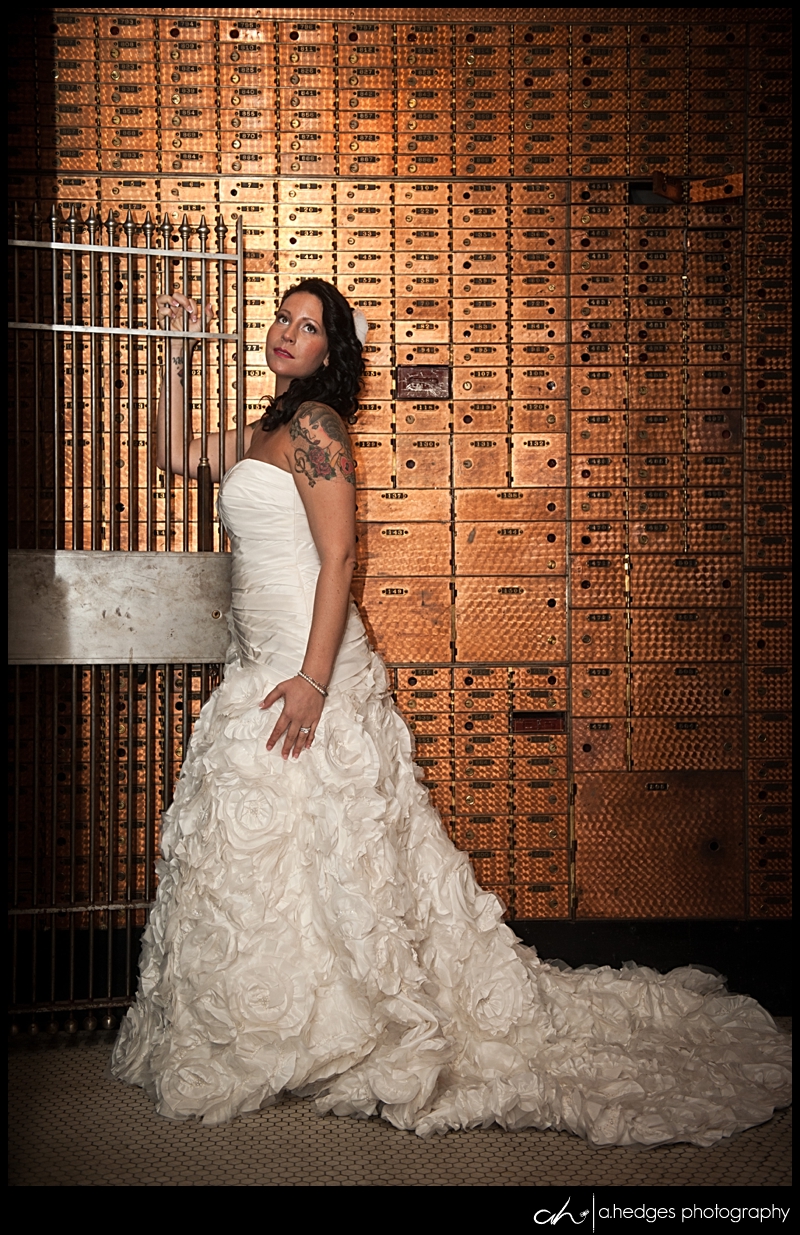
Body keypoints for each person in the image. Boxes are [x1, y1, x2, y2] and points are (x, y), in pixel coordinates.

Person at [112, 278, 791, 1145]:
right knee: (276, 848)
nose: (286, 332)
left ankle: (353, 1020)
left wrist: (315, 682)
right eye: (282, 317)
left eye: (307, 326)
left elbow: (340, 553)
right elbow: (173, 453)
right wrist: (176, 351)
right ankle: (282, 1016)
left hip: (306, 669)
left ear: (331, 352)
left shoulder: (316, 430)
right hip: (258, 667)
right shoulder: (265, 432)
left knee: (335, 839)